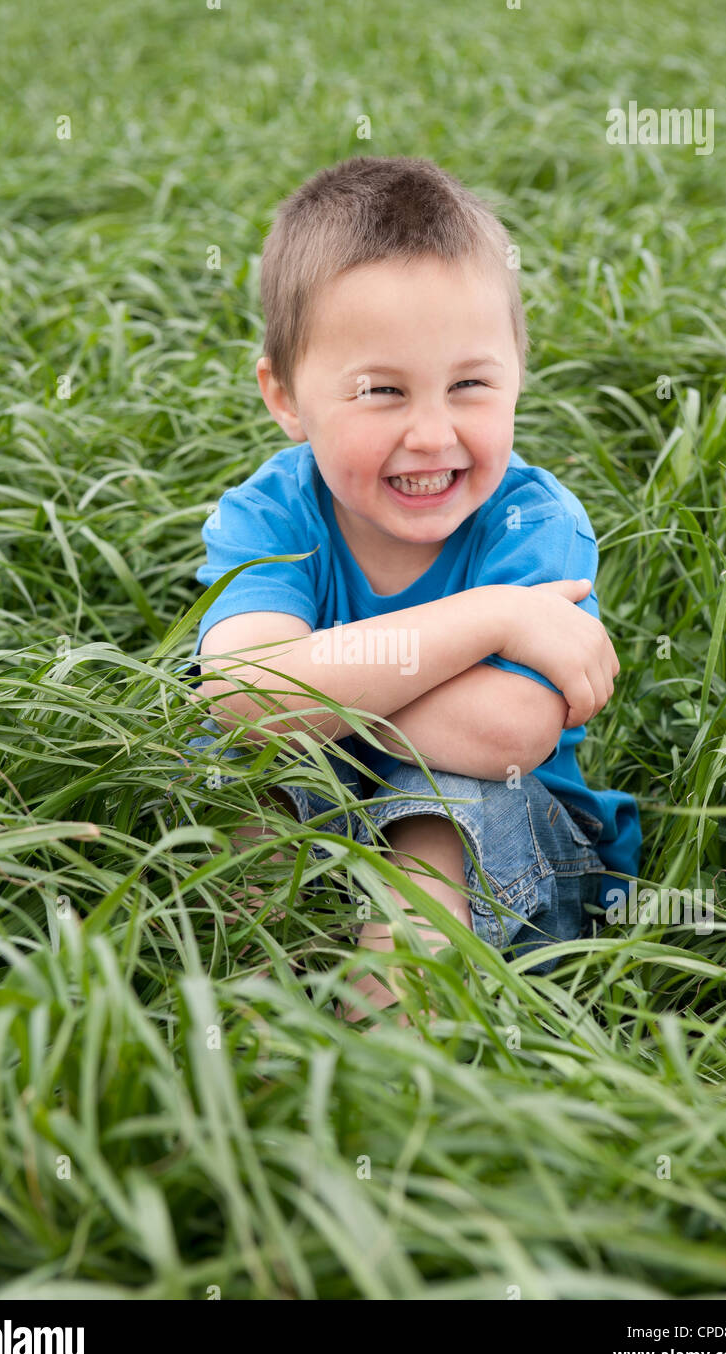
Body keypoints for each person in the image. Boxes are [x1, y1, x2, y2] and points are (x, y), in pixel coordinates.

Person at [185, 155, 642, 1025]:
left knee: (433, 809)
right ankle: (242, 1024)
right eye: (381, 391)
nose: (431, 434)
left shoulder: (529, 523)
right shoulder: (272, 515)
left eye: (469, 385)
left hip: (506, 845)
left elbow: (505, 729)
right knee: (245, 788)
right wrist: (490, 618)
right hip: (311, 813)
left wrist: (314, 698)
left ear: (517, 372)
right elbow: (244, 693)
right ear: (285, 397)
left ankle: (389, 1057)